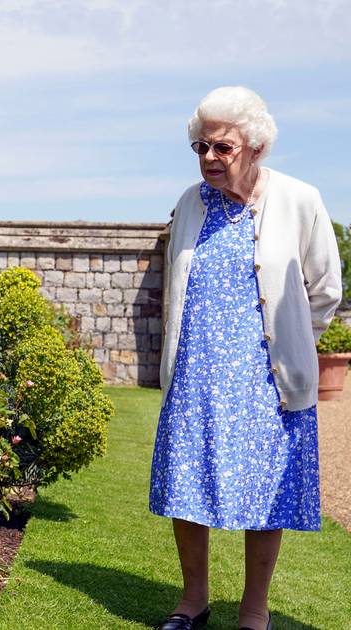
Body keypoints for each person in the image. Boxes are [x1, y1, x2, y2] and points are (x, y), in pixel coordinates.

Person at [149, 86, 341, 630]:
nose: (209, 158)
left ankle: (254, 610)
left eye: (222, 148)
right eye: (201, 147)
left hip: (267, 381)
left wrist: (295, 342)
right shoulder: (190, 203)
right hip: (196, 377)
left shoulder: (300, 200)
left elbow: (324, 288)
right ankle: (193, 602)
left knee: (268, 495)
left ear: (254, 146)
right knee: (187, 489)